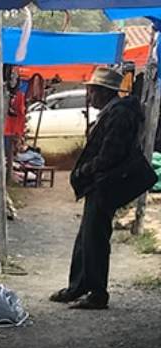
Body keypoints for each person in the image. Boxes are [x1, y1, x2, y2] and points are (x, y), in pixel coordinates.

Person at [49, 66, 144, 311]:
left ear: (104, 92)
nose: (89, 97)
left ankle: (97, 292)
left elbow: (111, 154)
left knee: (96, 239)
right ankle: (79, 286)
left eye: (92, 92)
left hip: (106, 182)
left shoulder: (120, 114)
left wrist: (86, 170)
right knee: (87, 237)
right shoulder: (113, 111)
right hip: (100, 182)